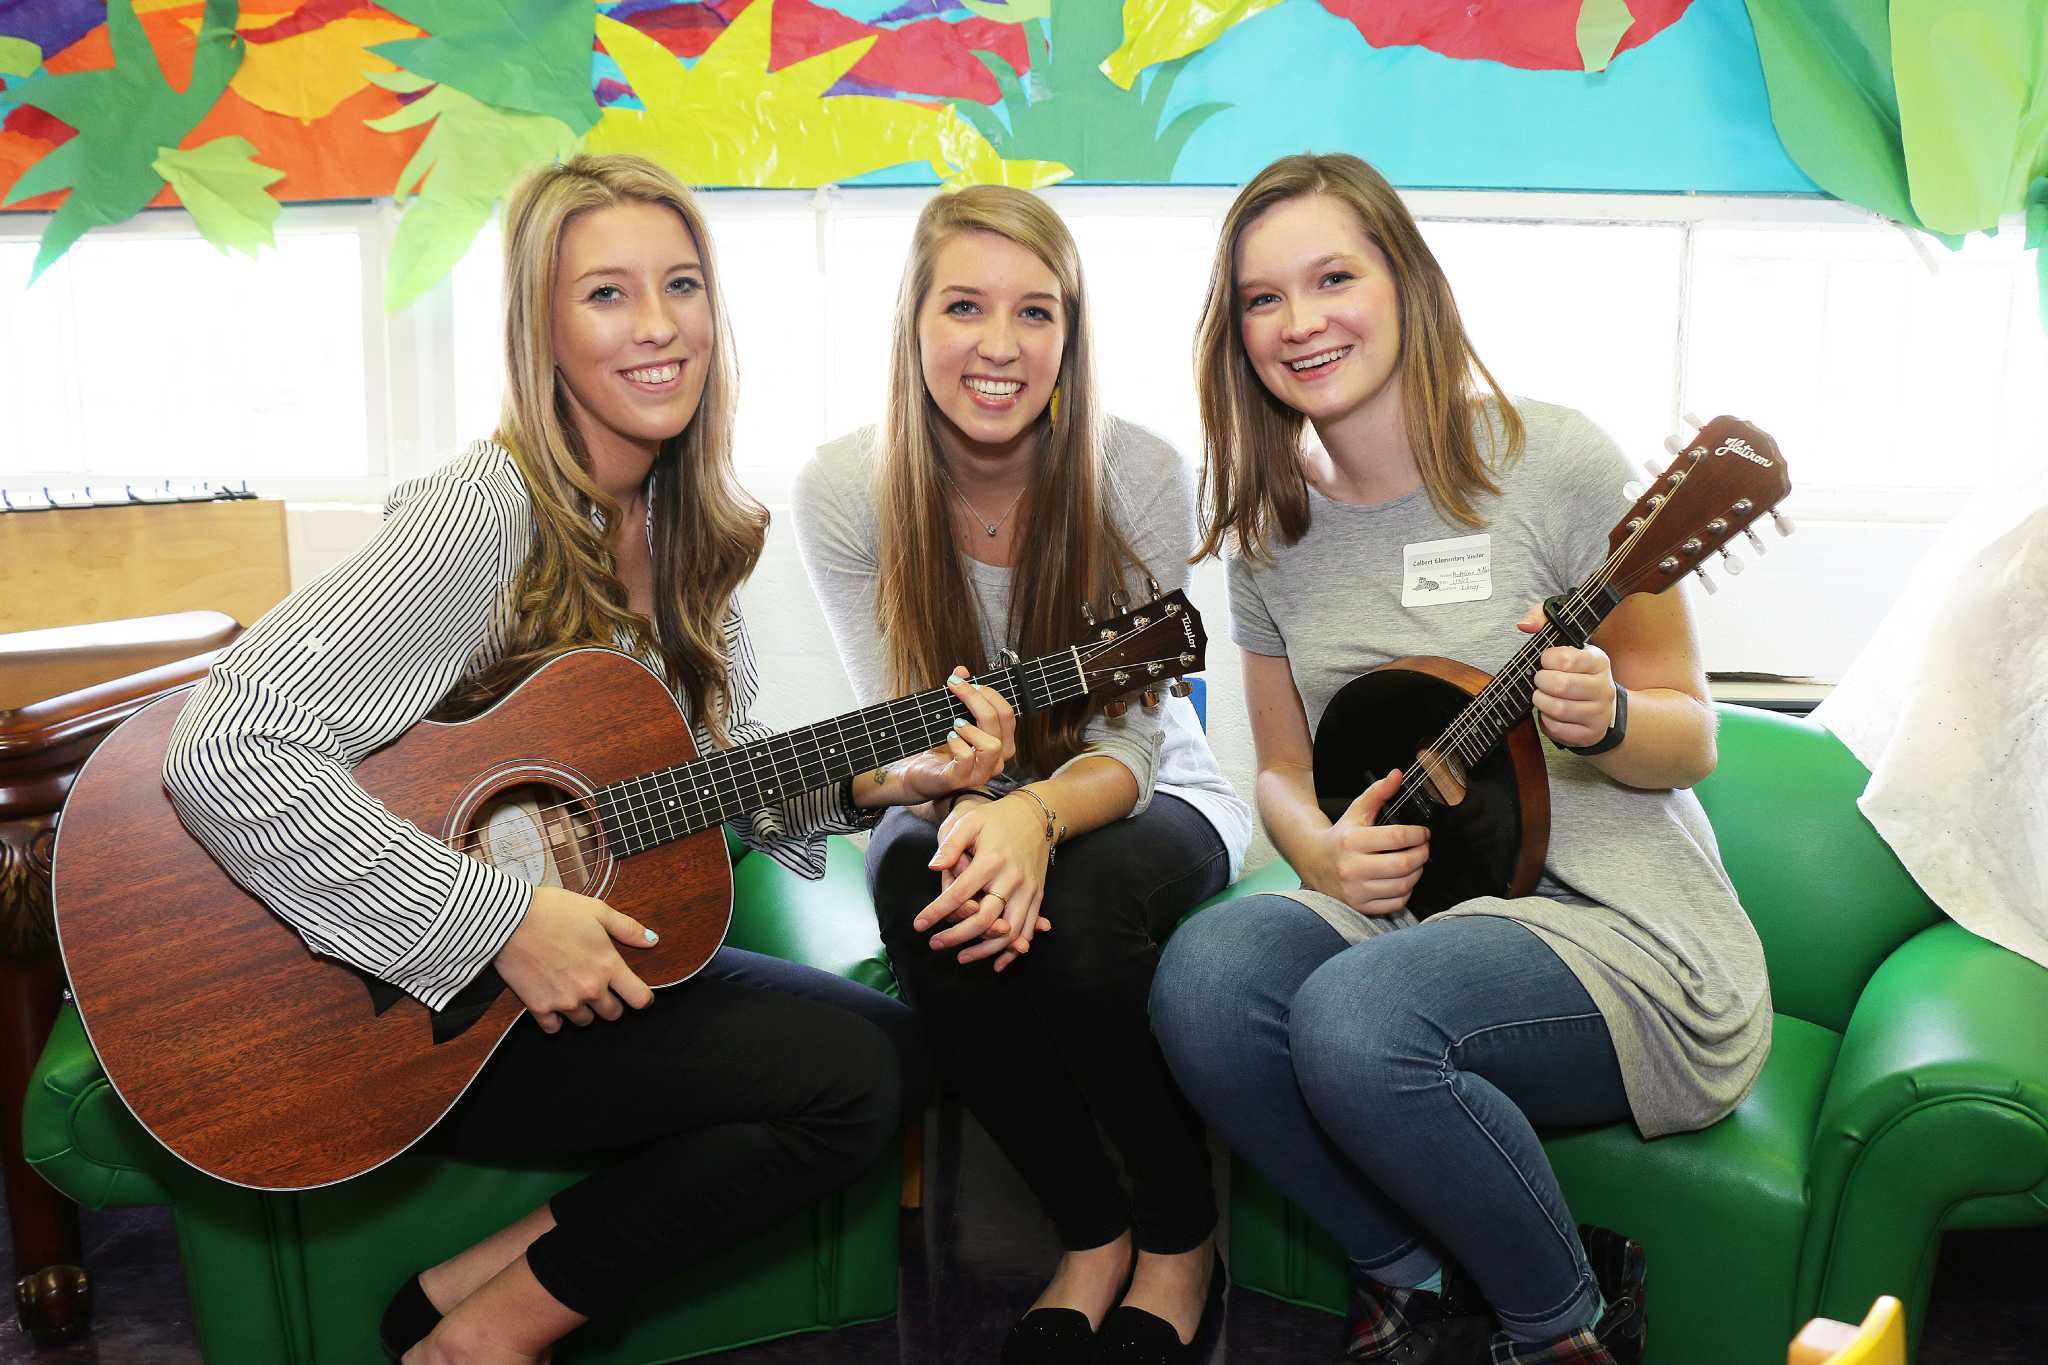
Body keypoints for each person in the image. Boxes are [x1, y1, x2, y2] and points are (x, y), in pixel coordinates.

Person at [159, 153, 1009, 1365]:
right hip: (415, 1010)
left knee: (886, 1060)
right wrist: (494, 919)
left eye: (682, 285)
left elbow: (710, 764)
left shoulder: (679, 520)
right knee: (854, 1080)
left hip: (552, 986)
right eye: (606, 295)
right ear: (539, 328)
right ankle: (483, 1344)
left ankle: (462, 1296)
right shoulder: (483, 514)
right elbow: (228, 742)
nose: (659, 327)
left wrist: (888, 779)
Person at [1149, 153, 1772, 1365]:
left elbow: (1688, 734)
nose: (1300, 320)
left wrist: (1603, 722)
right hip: (1425, 922)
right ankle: (1421, 1291)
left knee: (1353, 1017)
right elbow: (1277, 768)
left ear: (1406, 282)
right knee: (1203, 977)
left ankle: (1559, 1335)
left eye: (1332, 276)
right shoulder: (1269, 538)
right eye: (1261, 299)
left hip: (1626, 942)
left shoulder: (1553, 460)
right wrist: (1319, 850)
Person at [791, 185, 1253, 1365]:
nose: (999, 347)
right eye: (964, 307)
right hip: (958, 785)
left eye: (1034, 313)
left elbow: (1137, 743)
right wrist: (961, 788)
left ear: (1069, 334)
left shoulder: (1134, 471)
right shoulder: (844, 490)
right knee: (917, 886)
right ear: (911, 324)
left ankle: (1178, 1235)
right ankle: (1090, 1231)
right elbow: (892, 719)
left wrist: (1032, 815)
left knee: (1081, 908)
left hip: (1143, 788)